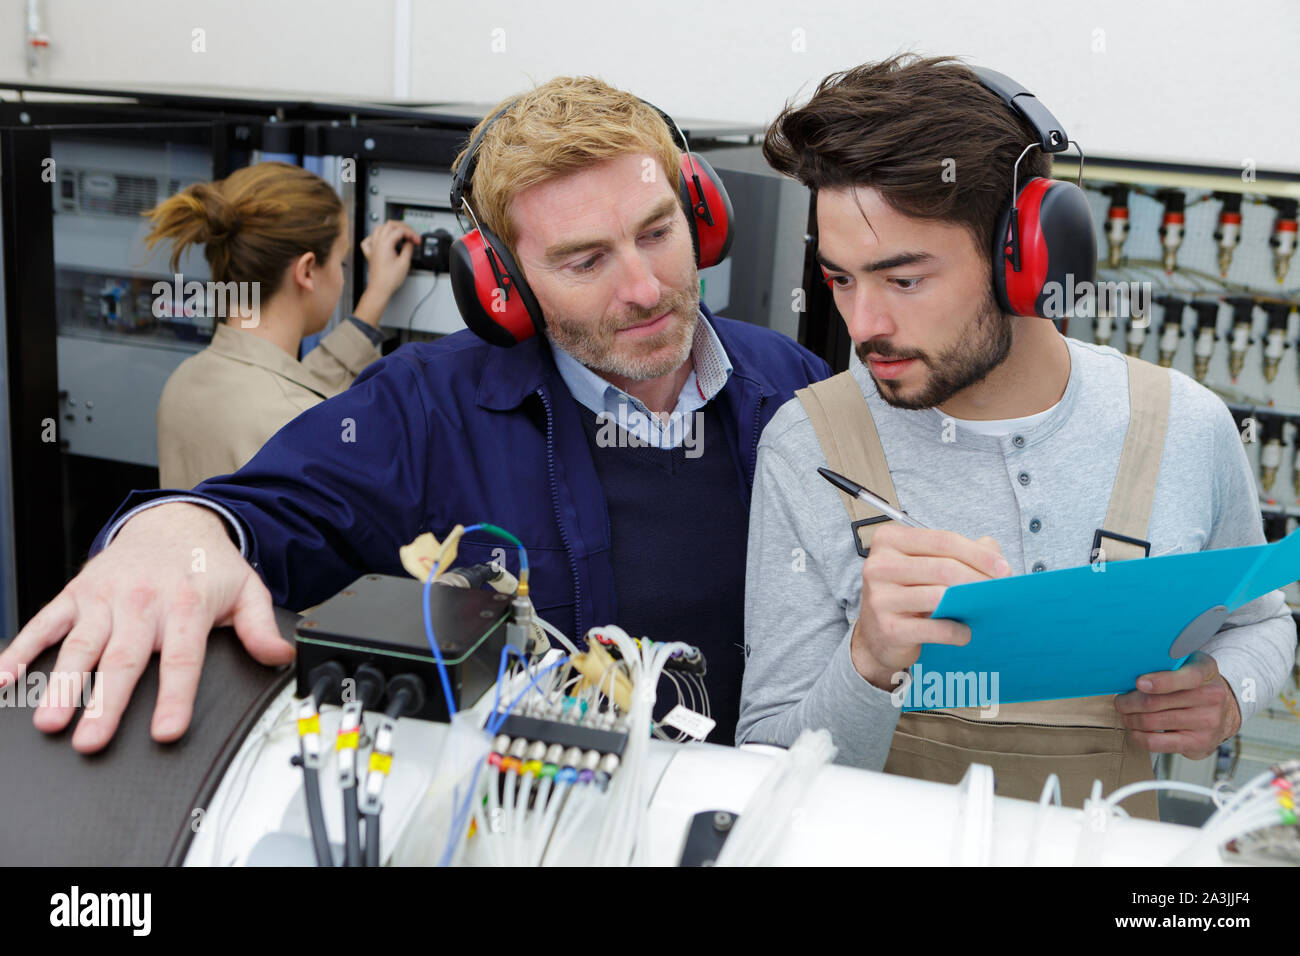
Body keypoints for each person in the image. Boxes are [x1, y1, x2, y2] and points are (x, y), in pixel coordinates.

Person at [0, 76, 830, 754]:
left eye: (658, 233)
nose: (646, 288)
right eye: (585, 260)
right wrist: (173, 535)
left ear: (702, 214)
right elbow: (271, 508)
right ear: (502, 285)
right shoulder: (423, 407)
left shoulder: (787, 382)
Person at [737, 54, 1297, 818]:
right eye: (840, 279)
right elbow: (768, 762)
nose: (863, 325)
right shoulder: (808, 445)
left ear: (1030, 258)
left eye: (903, 280)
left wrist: (1231, 690)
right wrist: (867, 662)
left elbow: (1262, 621)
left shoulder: (1186, 426)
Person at [148, 161, 420, 488]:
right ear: (307, 271)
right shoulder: (302, 427)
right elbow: (294, 405)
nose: (342, 274)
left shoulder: (182, 383)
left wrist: (376, 295)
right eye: (341, 261)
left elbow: (290, 384)